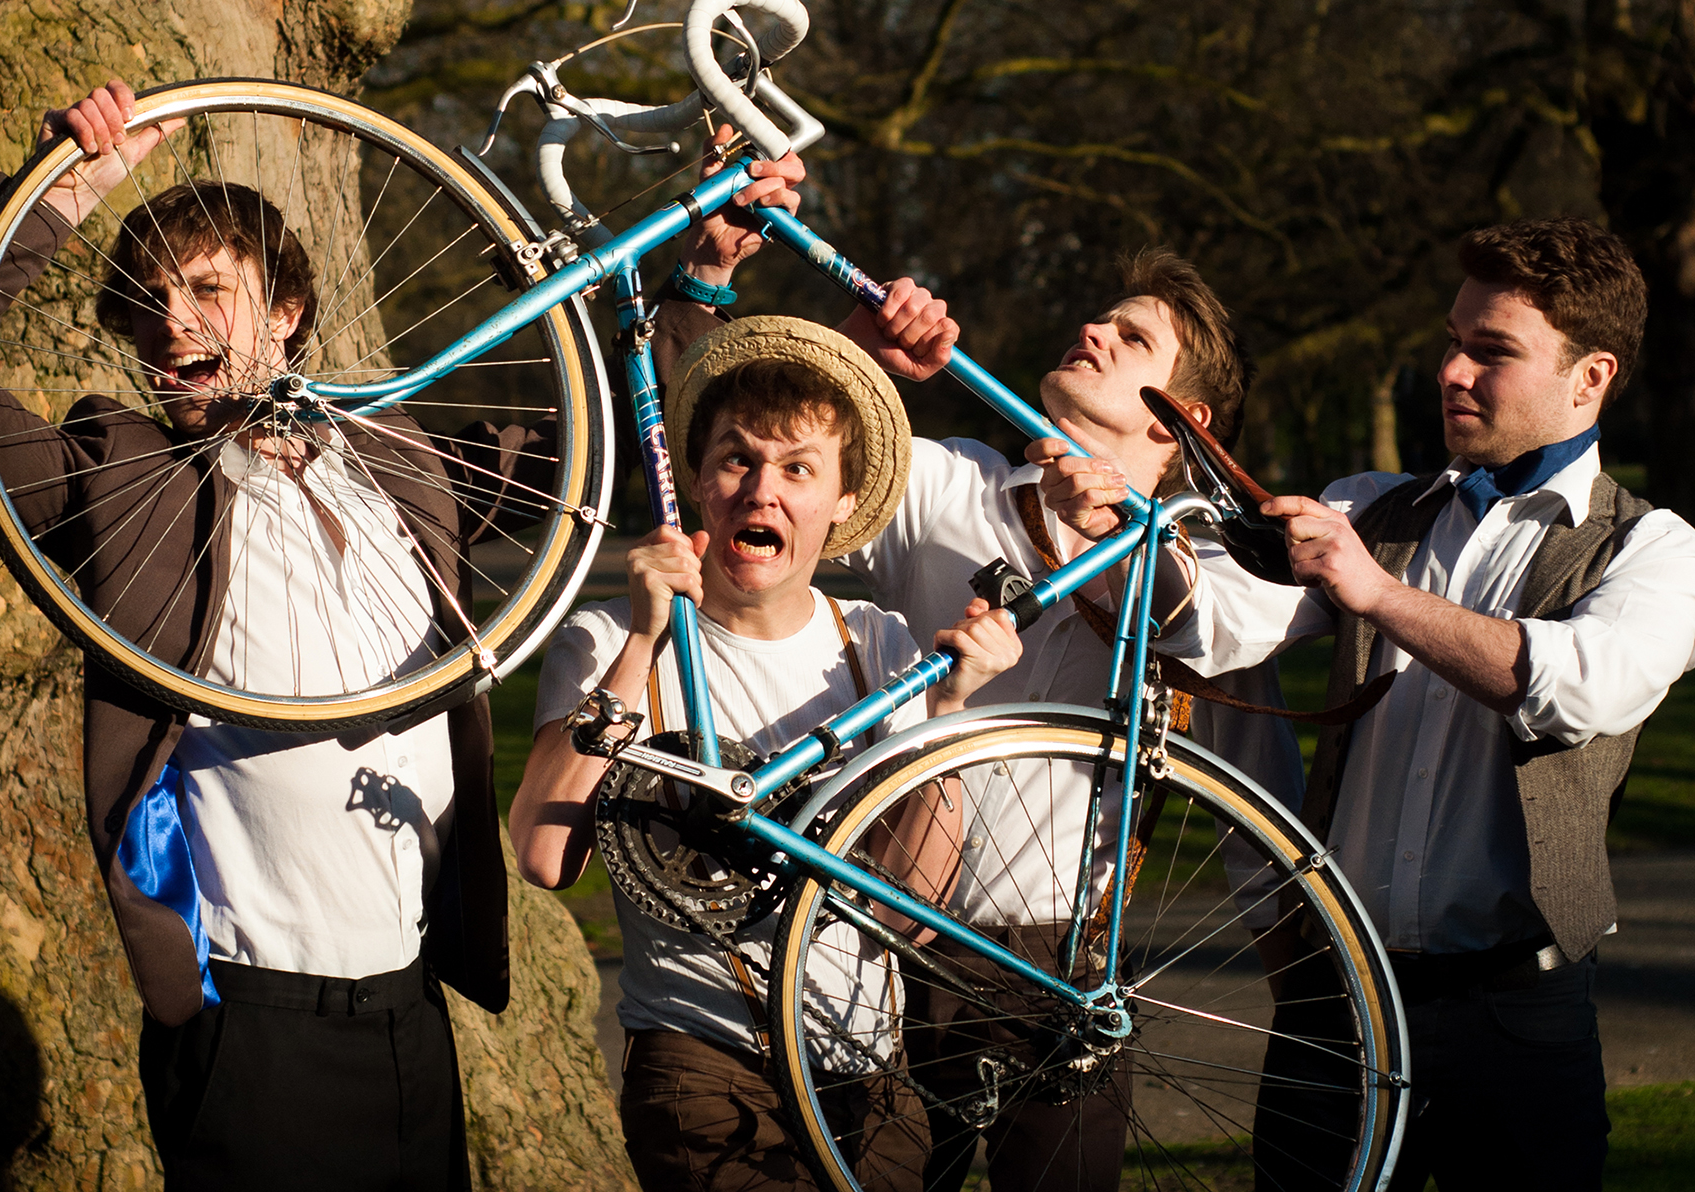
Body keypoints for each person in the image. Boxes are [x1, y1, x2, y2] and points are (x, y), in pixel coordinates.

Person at [0, 82, 545, 1190]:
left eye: (207, 287)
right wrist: (64, 190)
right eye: (150, 300)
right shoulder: (124, 481)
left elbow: (594, 446)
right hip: (251, 1030)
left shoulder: (398, 462)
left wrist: (696, 293)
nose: (173, 320)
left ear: (286, 309)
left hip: (413, 1011)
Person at [649, 133, 1306, 1192]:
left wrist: (1107, 534)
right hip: (891, 943)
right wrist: (814, 326)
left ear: (1189, 422)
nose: (1091, 326)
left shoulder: (1211, 571)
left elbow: (1245, 757)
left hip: (1062, 962)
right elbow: (729, 468)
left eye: (1130, 337)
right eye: (1101, 315)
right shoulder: (951, 485)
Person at [1156, 217, 1695, 1189]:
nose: (1451, 370)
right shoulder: (1370, 504)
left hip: (1517, 1012)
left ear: (1591, 377)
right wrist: (1100, 503)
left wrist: (1376, 592)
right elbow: (1209, 627)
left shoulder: (1656, 548)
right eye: (1452, 338)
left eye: (1492, 351)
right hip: (1340, 996)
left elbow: (1579, 687)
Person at [509, 314, 1025, 1192]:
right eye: (737, 459)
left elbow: (907, 906)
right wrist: (641, 649)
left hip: (870, 1076)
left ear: (841, 501)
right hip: (701, 1066)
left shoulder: (883, 649)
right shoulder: (607, 640)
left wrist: (946, 709)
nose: (763, 491)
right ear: (695, 483)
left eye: (798, 469)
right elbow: (541, 854)